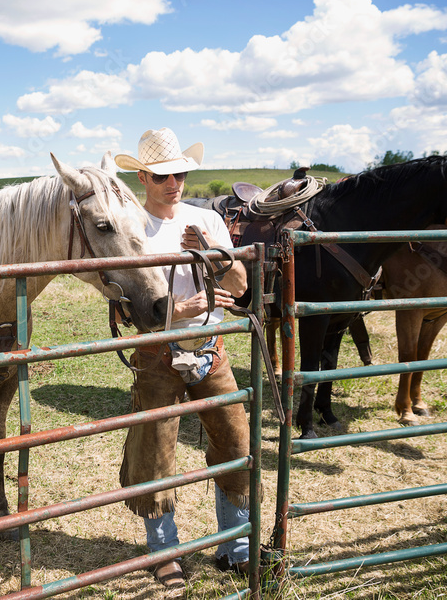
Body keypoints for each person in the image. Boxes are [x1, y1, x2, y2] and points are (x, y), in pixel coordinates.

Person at [114, 128, 251, 596]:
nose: (174, 183)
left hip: (211, 347)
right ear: (142, 177)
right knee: (156, 451)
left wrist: (213, 257)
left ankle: (234, 543)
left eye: (180, 174)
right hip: (157, 351)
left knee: (236, 440)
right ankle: (164, 551)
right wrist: (176, 312)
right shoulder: (130, 229)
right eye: (162, 176)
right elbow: (122, 306)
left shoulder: (204, 219)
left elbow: (241, 284)